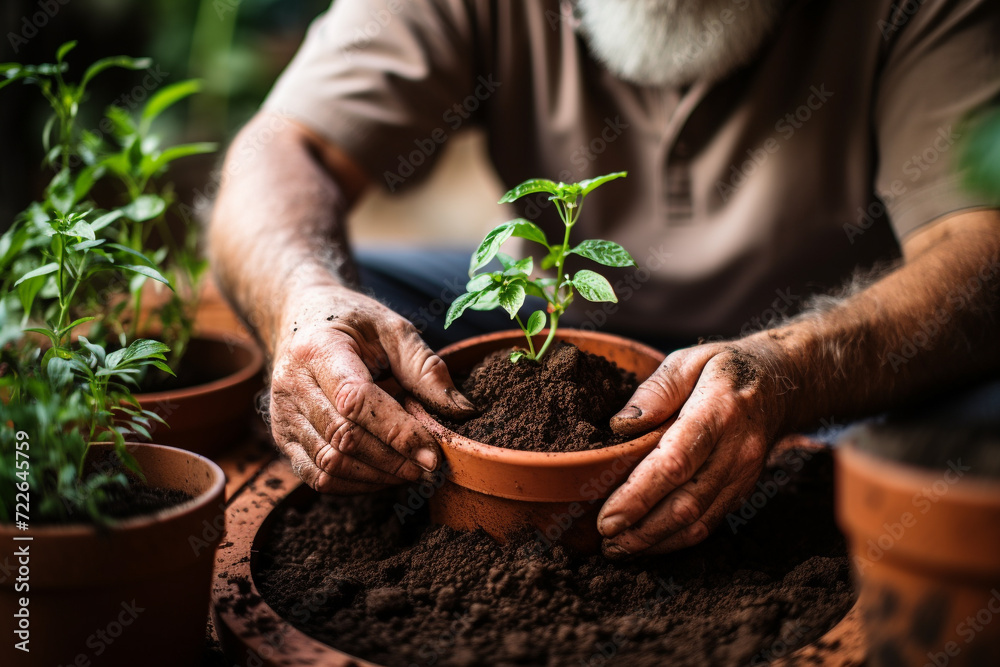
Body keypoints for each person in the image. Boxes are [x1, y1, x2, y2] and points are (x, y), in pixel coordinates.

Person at [208, 0, 1000, 559]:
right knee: (348, 294)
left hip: (826, 372)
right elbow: (278, 153)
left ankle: (797, 467)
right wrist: (304, 303)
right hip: (555, 331)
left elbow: (983, 249)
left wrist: (794, 373)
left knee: (969, 410)